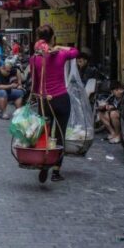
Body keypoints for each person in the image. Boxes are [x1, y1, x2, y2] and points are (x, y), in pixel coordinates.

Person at [30, 24, 78, 182]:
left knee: (44, 134)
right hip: (61, 99)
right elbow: (75, 52)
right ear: (52, 38)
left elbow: (35, 83)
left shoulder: (34, 58)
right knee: (60, 135)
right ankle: (56, 170)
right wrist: (60, 47)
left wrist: (36, 97)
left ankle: (44, 164)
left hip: (44, 100)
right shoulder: (60, 55)